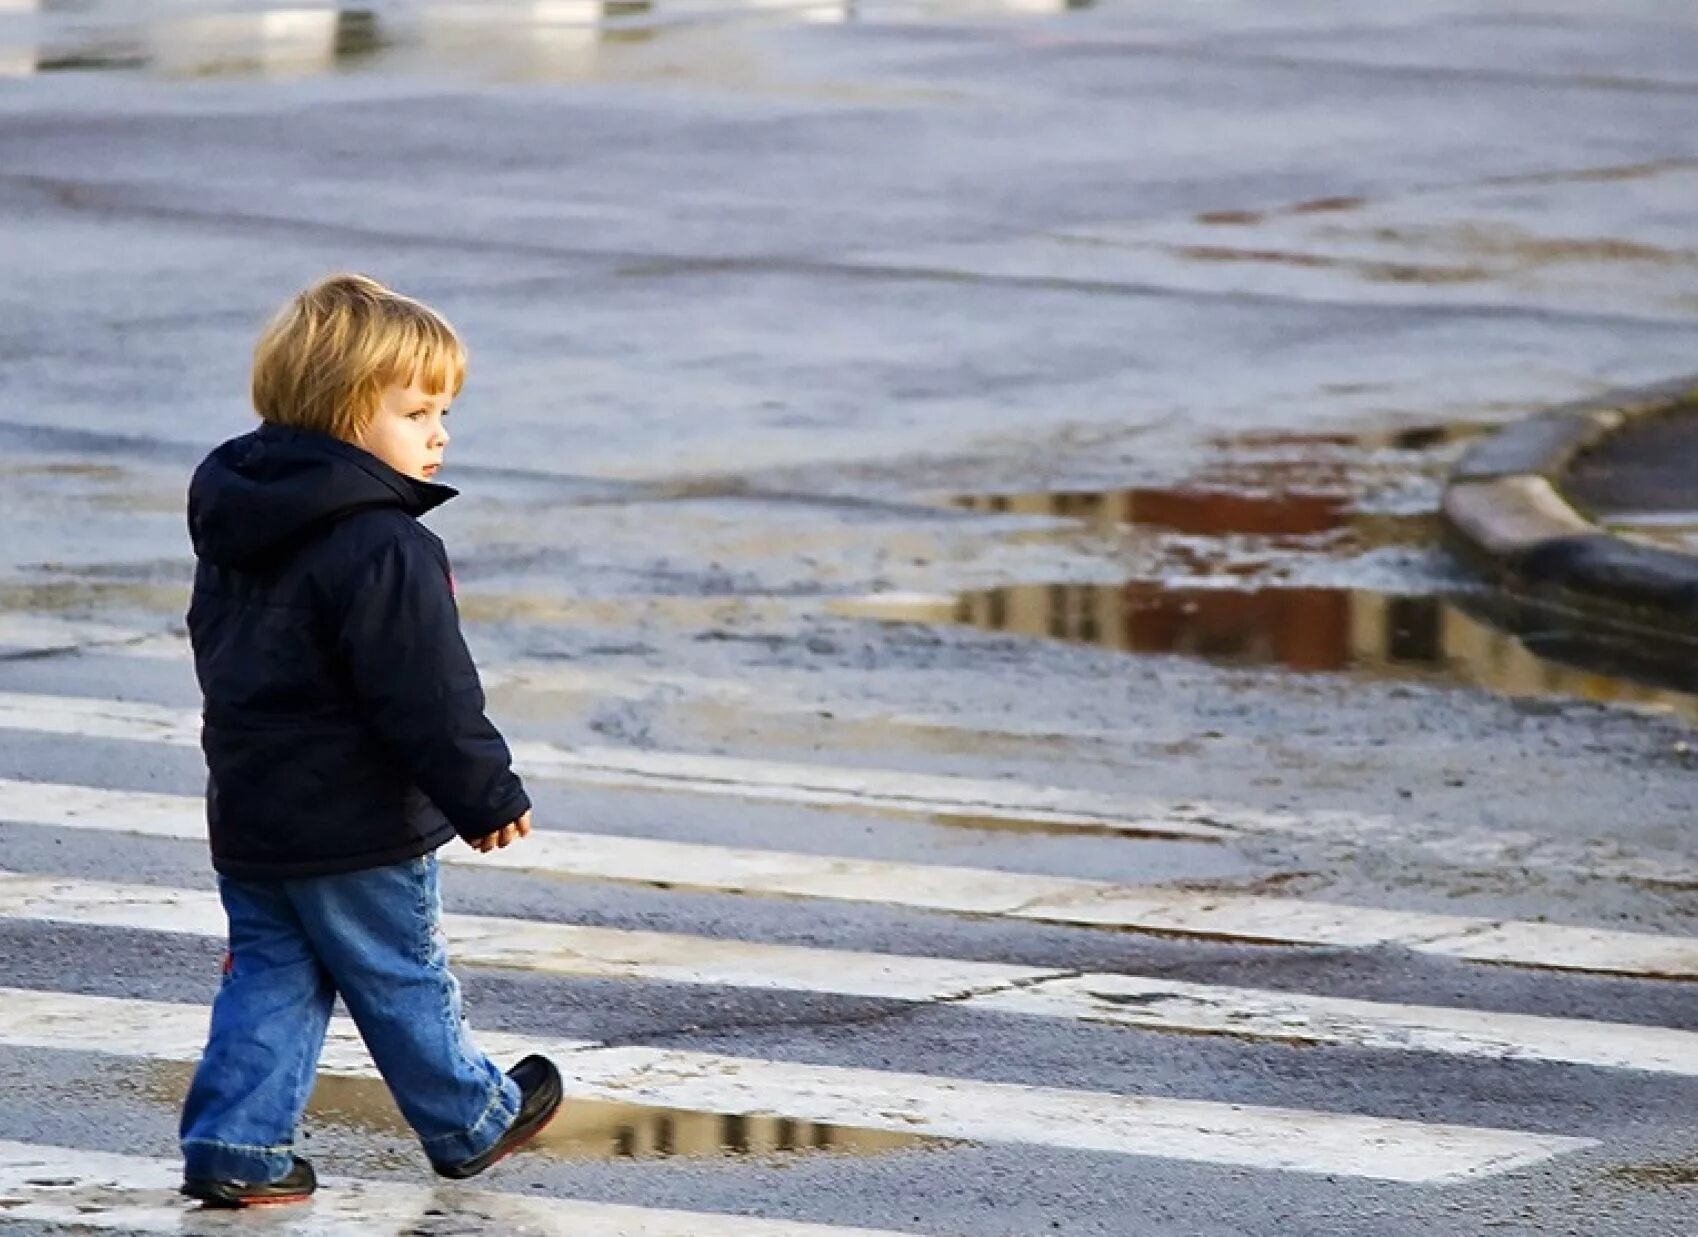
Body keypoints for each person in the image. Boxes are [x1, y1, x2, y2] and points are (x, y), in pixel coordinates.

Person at [177, 273, 562, 1207]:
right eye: (417, 410)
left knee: (273, 974)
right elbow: (424, 692)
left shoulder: (239, 518)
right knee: (399, 969)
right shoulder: (385, 544)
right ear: (347, 414)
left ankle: (236, 1143)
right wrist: (486, 791)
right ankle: (471, 1117)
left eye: (444, 411)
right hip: (359, 818)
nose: (440, 433)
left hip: (254, 805)